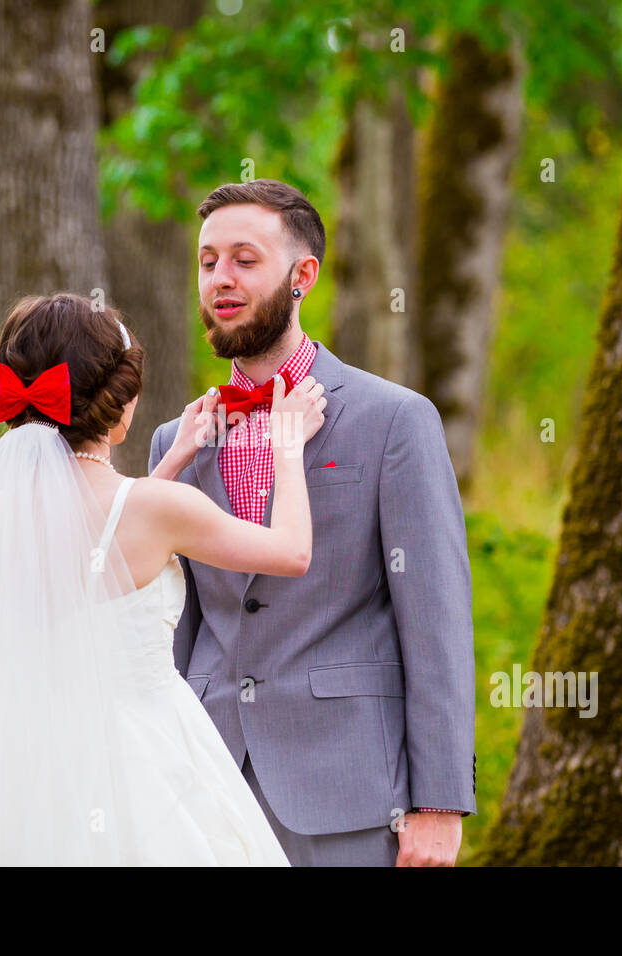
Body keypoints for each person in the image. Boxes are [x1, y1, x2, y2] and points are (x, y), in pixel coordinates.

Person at [0, 291, 325, 865]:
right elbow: (291, 551)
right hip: (146, 753)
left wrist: (174, 460)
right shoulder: (157, 509)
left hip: (29, 761)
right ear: (121, 399)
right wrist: (286, 449)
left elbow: (93, 561)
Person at [149, 179, 477, 866]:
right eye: (207, 262)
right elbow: (175, 627)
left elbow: (436, 619)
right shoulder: (175, 440)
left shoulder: (395, 421)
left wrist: (440, 802)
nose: (220, 278)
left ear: (303, 276)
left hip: (350, 792)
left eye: (245, 260)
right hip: (205, 783)